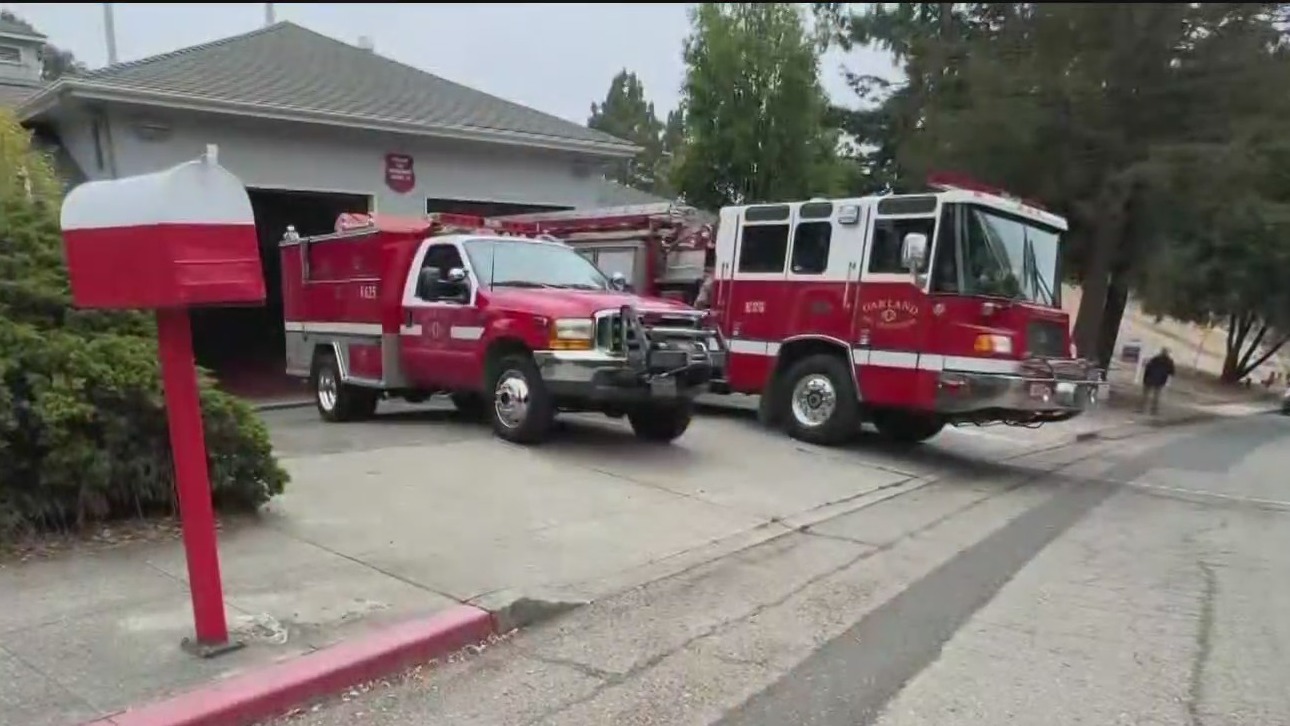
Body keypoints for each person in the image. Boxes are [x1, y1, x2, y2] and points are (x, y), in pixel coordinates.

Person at [1140, 347, 1175, 415]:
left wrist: (1145, 378)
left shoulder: (1155, 359)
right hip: (1160, 381)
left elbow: (1148, 367)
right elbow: (1172, 372)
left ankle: (1142, 409)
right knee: (1156, 396)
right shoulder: (1169, 361)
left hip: (1150, 379)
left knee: (1145, 395)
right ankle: (1153, 410)